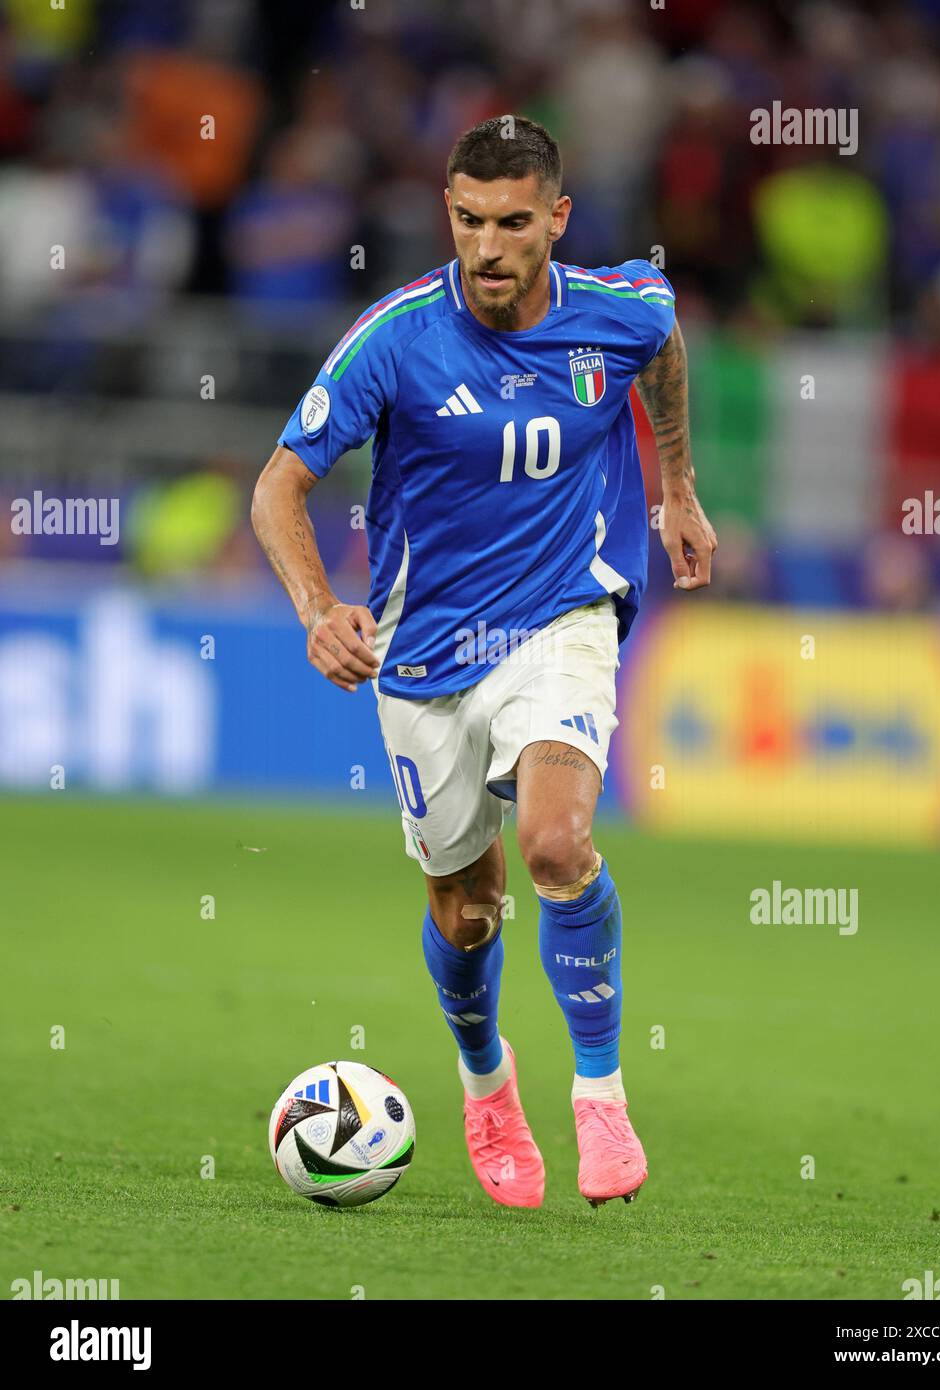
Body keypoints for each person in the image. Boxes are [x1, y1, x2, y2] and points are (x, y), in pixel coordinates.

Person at [252, 115, 716, 1209]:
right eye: (468, 221)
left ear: (555, 218)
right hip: (423, 656)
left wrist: (677, 488)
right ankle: (484, 1082)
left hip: (563, 615)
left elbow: (663, 348)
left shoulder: (618, 309)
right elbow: (278, 483)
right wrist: (320, 608)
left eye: (513, 223)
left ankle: (598, 1095)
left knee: (556, 845)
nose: (489, 247)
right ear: (446, 214)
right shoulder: (398, 337)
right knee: (466, 908)